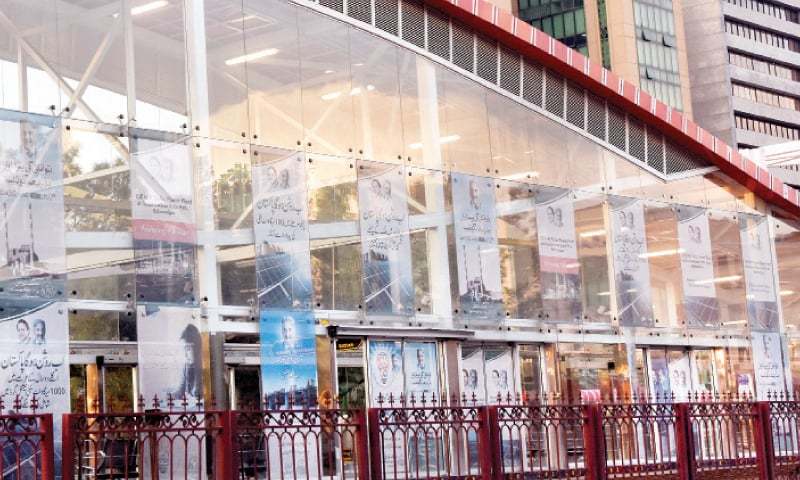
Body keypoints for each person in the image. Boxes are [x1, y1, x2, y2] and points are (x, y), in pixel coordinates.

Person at [174, 324, 202, 401]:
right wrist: (172, 396)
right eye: (184, 349)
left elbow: (198, 394)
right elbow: (181, 389)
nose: (185, 353)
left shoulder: (201, 367)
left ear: (197, 348)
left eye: (188, 348)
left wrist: (191, 395)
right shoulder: (187, 365)